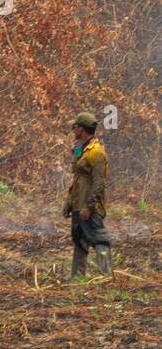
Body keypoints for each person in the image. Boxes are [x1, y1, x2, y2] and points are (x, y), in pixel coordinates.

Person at [64, 111, 111, 277]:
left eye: (74, 127)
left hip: (89, 206)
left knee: (100, 239)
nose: (72, 130)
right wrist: (69, 203)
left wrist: (89, 207)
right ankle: (77, 278)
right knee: (79, 240)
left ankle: (106, 276)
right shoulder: (80, 149)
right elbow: (78, 176)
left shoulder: (97, 153)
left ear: (82, 129)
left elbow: (99, 183)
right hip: (78, 204)